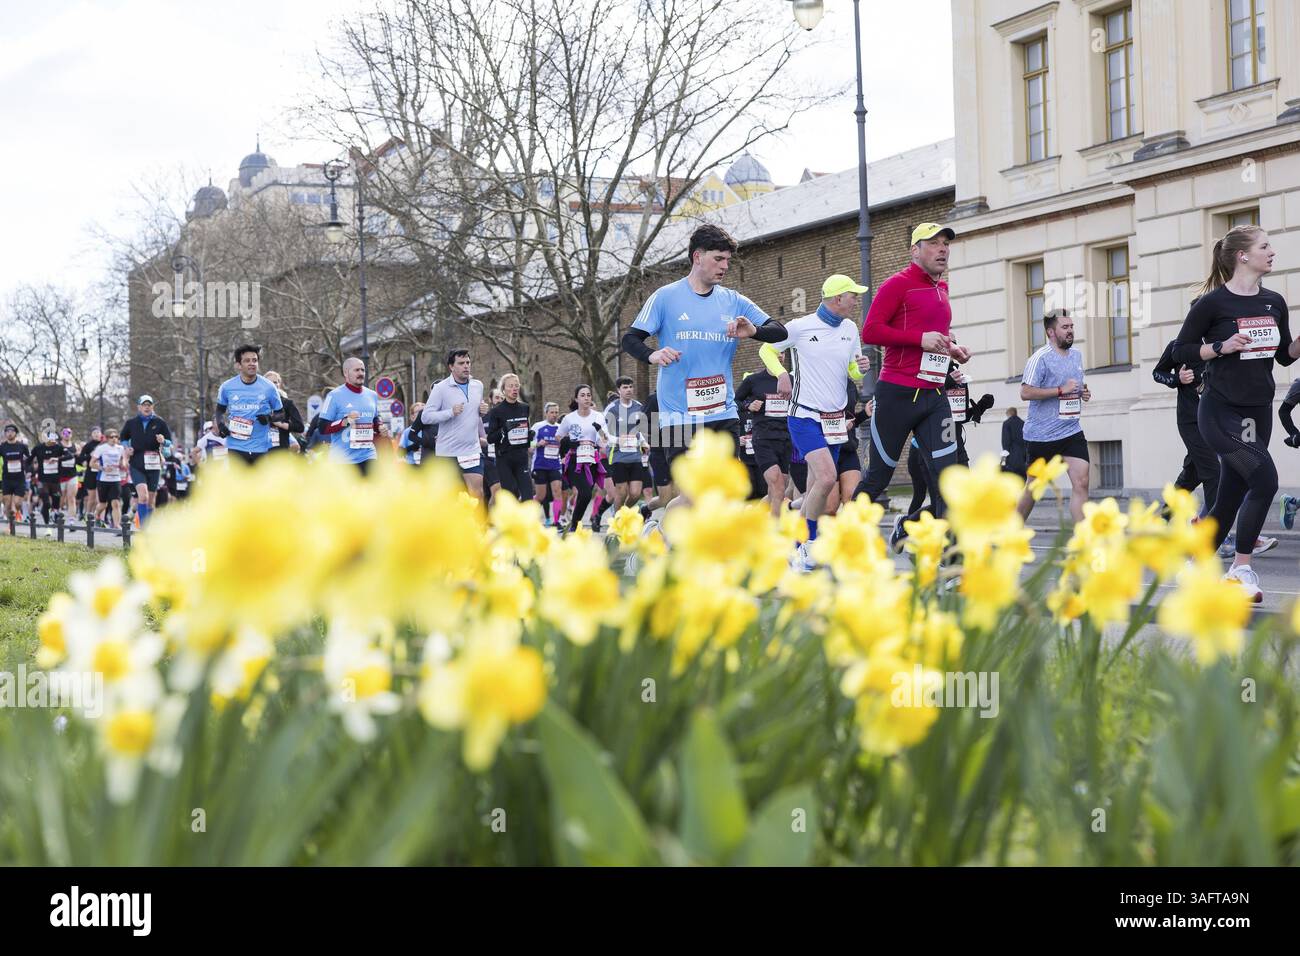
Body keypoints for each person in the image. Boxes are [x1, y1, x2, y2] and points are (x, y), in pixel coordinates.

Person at [620, 224, 788, 507]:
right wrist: (653, 355)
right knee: (694, 497)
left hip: (722, 412)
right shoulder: (666, 297)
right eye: (718, 259)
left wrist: (754, 332)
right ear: (698, 256)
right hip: (678, 416)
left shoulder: (733, 301)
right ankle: (660, 533)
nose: (724, 267)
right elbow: (630, 338)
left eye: (727, 261)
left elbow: (779, 330)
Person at [1172, 224, 1294, 603]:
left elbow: (1284, 354)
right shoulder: (1212, 304)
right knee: (1264, 480)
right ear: (1243, 256)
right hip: (1220, 411)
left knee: (1230, 494)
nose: (1272, 252)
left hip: (1259, 410)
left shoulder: (1274, 301)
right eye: (1264, 246)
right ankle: (1240, 570)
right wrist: (1220, 347)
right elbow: (1181, 351)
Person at [851, 224, 971, 537]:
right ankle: (845, 538)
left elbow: (936, 336)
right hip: (897, 396)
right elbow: (871, 331)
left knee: (949, 477)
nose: (943, 249)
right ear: (914, 251)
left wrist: (952, 347)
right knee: (878, 477)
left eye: (946, 243)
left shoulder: (941, 289)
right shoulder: (897, 284)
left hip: (933, 395)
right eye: (933, 243)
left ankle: (950, 555)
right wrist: (919, 339)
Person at [759, 273, 871, 570]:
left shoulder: (850, 328)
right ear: (837, 299)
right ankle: (810, 543)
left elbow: (852, 372)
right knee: (826, 478)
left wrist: (860, 369)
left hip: (834, 420)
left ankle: (794, 547)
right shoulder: (800, 326)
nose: (855, 300)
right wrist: (781, 374)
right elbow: (766, 349)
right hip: (804, 415)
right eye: (852, 296)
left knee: (814, 488)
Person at [1016, 309, 1091, 523]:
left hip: (1071, 430)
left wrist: (1083, 392)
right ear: (1051, 332)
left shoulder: (1076, 355)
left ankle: (1085, 540)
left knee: (1082, 482)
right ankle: (1011, 532)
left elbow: (1075, 386)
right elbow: (1025, 392)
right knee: (1033, 488)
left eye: (1071, 327)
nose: (1070, 331)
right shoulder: (1040, 358)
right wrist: (1060, 390)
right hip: (1042, 435)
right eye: (1065, 327)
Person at [422, 349, 487, 498]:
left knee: (477, 494)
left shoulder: (478, 386)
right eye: (461, 363)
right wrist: (450, 412)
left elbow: (475, 413)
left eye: (468, 363)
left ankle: (475, 522)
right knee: (450, 497)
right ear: (451, 367)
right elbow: (426, 417)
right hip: (448, 451)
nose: (466, 366)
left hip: (471, 448)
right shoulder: (441, 388)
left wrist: (482, 411)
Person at [735, 364, 791, 517]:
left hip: (786, 440)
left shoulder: (790, 380)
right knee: (778, 487)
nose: (779, 355)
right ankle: (775, 532)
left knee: (778, 490)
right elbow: (735, 401)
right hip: (763, 439)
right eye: (774, 352)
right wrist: (748, 405)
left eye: (781, 353)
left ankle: (755, 515)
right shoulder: (754, 380)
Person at [215, 345, 283, 464]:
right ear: (239, 365)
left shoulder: (269, 387)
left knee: (260, 483)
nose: (252, 363)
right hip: (235, 446)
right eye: (247, 361)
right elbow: (220, 410)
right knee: (238, 482)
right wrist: (221, 426)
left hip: (261, 447)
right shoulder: (227, 387)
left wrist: (269, 418)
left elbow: (281, 413)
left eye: (255, 360)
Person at [318, 357, 387, 475]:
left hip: (368, 455)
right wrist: (345, 421)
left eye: (363, 370)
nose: (361, 373)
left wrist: (380, 426)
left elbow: (375, 417)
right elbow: (322, 427)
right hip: (342, 460)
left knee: (370, 492)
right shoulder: (333, 396)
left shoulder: (372, 395)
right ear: (346, 373)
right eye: (356, 370)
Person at [558, 384, 610, 533]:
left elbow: (604, 438)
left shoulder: (598, 416)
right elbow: (558, 436)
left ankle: (575, 523)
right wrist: (569, 442)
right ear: (576, 399)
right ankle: (574, 525)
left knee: (586, 495)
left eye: (588, 395)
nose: (586, 398)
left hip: (592, 459)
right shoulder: (569, 418)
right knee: (586, 493)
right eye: (583, 395)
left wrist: (600, 432)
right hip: (575, 460)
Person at [599, 377, 648, 522]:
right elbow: (602, 432)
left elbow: (640, 429)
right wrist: (617, 440)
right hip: (618, 455)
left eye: (631, 387)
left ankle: (621, 514)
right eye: (625, 387)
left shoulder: (638, 406)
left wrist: (644, 442)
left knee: (635, 493)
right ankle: (617, 521)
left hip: (635, 454)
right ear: (618, 390)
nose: (629, 390)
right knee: (621, 491)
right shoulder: (612, 408)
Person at [120, 395, 172, 526]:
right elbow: (123, 437)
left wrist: (163, 441)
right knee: (143, 496)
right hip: (137, 463)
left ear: (152, 407)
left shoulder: (160, 422)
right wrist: (127, 447)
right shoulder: (131, 423)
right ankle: (143, 528)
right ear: (139, 407)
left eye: (149, 405)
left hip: (154, 464)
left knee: (151, 501)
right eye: (144, 405)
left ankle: (148, 526)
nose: (147, 407)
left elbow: (169, 442)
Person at [485, 373, 534, 500]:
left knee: (528, 496)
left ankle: (522, 519)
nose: (514, 389)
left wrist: (529, 436)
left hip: (521, 458)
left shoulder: (525, 407)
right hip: (505, 459)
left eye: (516, 386)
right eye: (511, 386)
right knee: (511, 495)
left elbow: (525, 431)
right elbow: (490, 438)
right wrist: (504, 430)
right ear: (503, 390)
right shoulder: (497, 411)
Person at [531, 403, 564, 525]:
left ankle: (557, 521)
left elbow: (564, 447)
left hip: (555, 465)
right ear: (546, 413)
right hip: (540, 465)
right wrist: (538, 444)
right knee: (540, 496)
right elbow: (528, 446)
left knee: (557, 492)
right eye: (552, 412)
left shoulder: (561, 428)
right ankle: (528, 517)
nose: (555, 415)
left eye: (556, 412)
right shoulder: (538, 426)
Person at [90, 429, 127, 529]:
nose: (114, 439)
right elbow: (91, 463)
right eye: (112, 437)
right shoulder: (101, 448)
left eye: (116, 437)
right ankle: (96, 515)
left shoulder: (120, 448)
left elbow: (124, 463)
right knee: (103, 504)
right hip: (103, 479)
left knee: (116, 503)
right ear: (106, 438)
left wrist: (122, 465)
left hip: (116, 479)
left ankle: (116, 525)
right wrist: (103, 468)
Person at [264, 370, 304, 453]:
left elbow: (300, 427)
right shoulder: (257, 402)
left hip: (280, 451)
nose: (273, 384)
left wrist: (281, 424)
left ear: (279, 385)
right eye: (269, 382)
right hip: (260, 450)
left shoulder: (287, 403)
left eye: (275, 382)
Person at [31, 432, 63, 524]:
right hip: (42, 479)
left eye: (54, 439)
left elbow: (70, 456)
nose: (52, 441)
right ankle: (47, 523)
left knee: (56, 501)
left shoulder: (59, 448)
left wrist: (57, 459)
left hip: (55, 480)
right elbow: (29, 459)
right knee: (46, 503)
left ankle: (54, 514)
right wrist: (29, 471)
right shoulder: (38, 448)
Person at [1, 424, 29, 524]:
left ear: (15, 433)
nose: (9, 433)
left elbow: (29, 460)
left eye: (11, 431)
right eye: (7, 431)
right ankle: (10, 524)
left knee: (17, 503)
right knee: (7, 504)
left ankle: (17, 512)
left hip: (19, 479)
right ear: (5, 434)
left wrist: (29, 471)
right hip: (7, 479)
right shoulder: (2, 447)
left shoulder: (22, 446)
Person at [77, 427, 103, 521]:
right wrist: (90, 456)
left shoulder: (104, 444)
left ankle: (98, 517)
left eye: (98, 432)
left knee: (100, 498)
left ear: (101, 434)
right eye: (94, 432)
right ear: (91, 435)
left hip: (102, 472)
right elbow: (80, 458)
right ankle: (88, 515)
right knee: (91, 497)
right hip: (91, 473)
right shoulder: (88, 445)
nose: (96, 434)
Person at [57, 429, 79, 519]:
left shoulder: (75, 446)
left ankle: (71, 520)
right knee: (61, 498)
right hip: (60, 476)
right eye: (64, 433)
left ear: (71, 434)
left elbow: (80, 459)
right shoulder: (58, 446)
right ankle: (57, 513)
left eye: (69, 433)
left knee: (71, 498)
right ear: (61, 435)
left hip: (72, 475)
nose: (66, 434)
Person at [1001, 407, 1027, 478]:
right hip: (1023, 455)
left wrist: (1004, 459)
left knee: (1012, 477)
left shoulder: (1006, 423)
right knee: (1022, 478)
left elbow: (1005, 442)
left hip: (1012, 454)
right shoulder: (1023, 423)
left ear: (1009, 413)